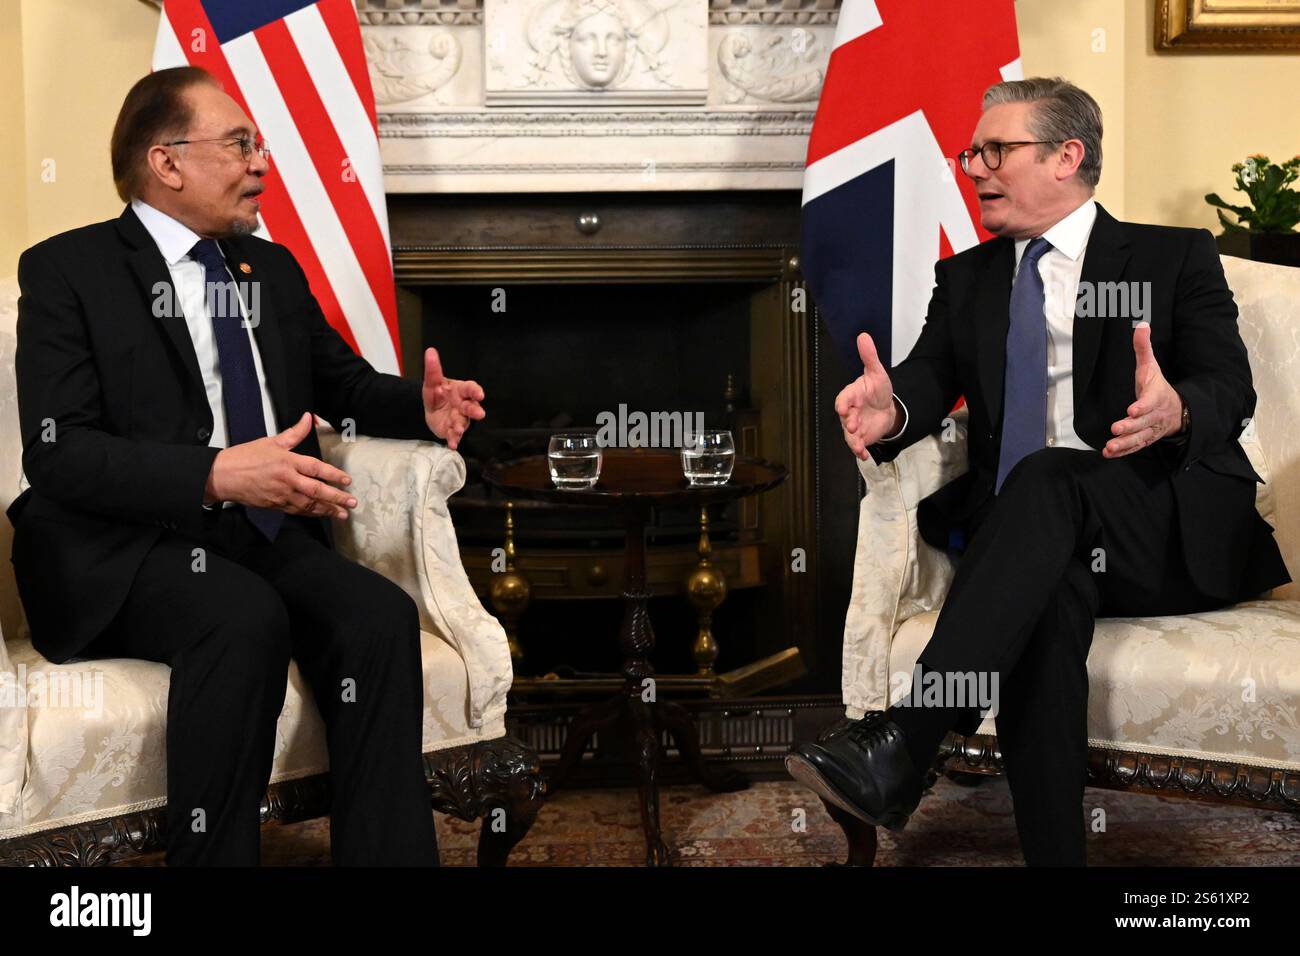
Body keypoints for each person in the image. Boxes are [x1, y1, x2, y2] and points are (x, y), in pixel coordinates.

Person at [786, 77, 1291, 865]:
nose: (975, 168)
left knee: (1055, 479)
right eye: (971, 152)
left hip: (1160, 528)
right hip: (1033, 543)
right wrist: (893, 414)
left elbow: (1230, 385)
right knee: (1048, 595)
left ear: (1067, 156)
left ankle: (906, 742)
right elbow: (923, 379)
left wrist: (1178, 409)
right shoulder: (972, 277)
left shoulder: (1169, 256)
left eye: (997, 150)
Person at [8, 66, 486, 865]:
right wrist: (214, 474)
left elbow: (344, 385)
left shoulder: (267, 267)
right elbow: (58, 450)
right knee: (240, 617)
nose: (260, 163)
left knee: (380, 619)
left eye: (256, 144)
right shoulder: (68, 271)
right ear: (167, 162)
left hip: (257, 534)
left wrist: (422, 408)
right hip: (118, 549)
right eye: (238, 144)